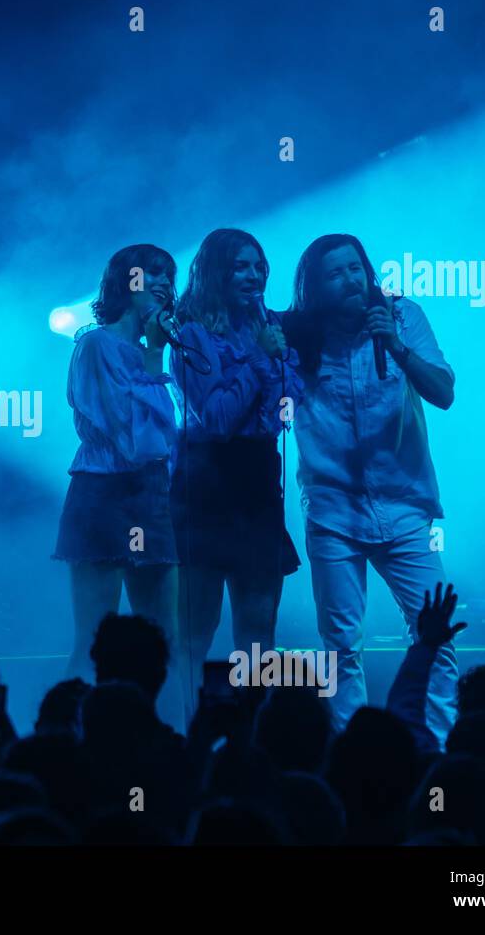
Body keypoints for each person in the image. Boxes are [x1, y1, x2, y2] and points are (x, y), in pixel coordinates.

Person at [281, 233, 456, 742]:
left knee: (435, 634)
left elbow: (443, 393)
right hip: (334, 510)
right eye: (335, 273)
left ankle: (436, 748)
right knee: (340, 644)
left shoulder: (402, 317)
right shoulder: (294, 333)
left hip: (403, 507)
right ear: (314, 286)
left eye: (356, 268)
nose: (351, 279)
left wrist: (397, 349)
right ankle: (351, 755)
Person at [170, 229, 301, 700]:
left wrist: (280, 369)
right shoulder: (190, 334)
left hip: (258, 481)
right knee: (195, 631)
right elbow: (219, 417)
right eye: (241, 267)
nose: (253, 276)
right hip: (206, 483)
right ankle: (187, 730)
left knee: (258, 630)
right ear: (216, 273)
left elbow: (281, 413)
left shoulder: (264, 326)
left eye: (258, 267)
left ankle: (254, 731)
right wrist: (260, 360)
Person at [53, 244, 181, 724]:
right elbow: (135, 438)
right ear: (127, 282)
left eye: (170, 274)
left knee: (161, 639)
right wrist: (152, 357)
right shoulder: (95, 344)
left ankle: (163, 743)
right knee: (93, 640)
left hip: (153, 494)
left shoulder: (163, 347)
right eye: (154, 273)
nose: (166, 283)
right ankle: (69, 742)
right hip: (103, 493)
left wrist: (156, 352)